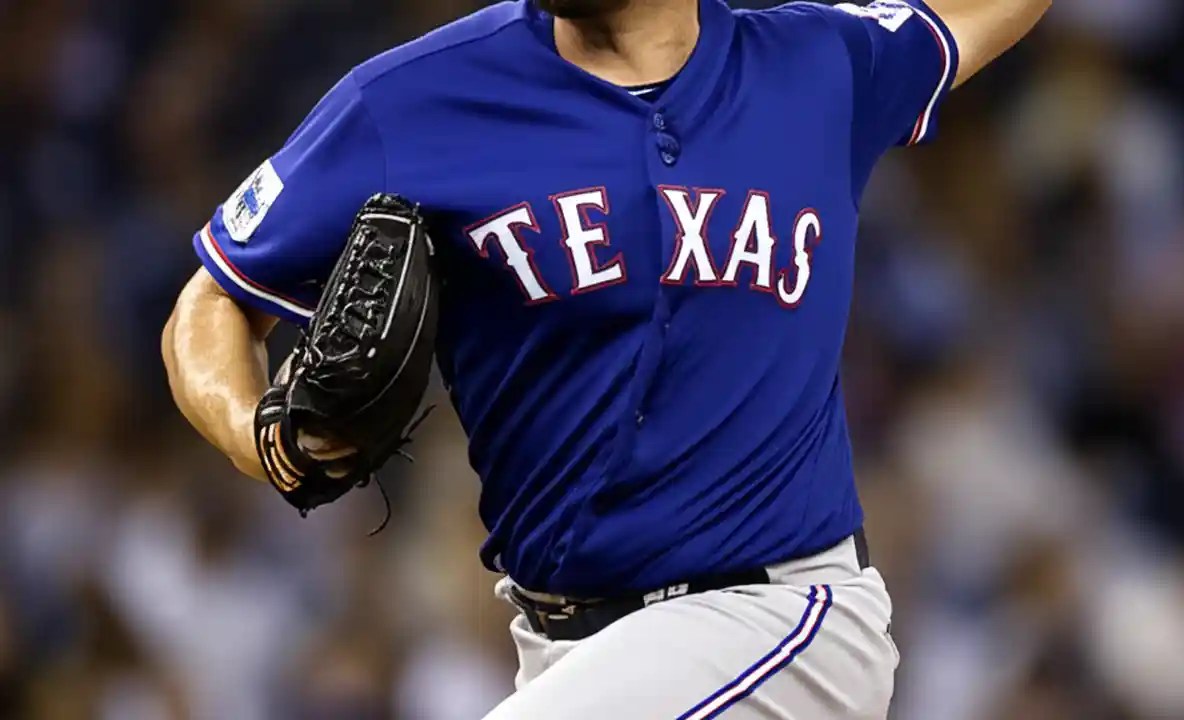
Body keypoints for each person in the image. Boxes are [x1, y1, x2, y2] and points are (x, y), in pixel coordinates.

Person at [161, 0, 1050, 716]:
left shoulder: (821, 63)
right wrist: (257, 434)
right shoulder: (410, 101)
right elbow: (212, 301)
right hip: (563, 652)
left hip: (783, 622)